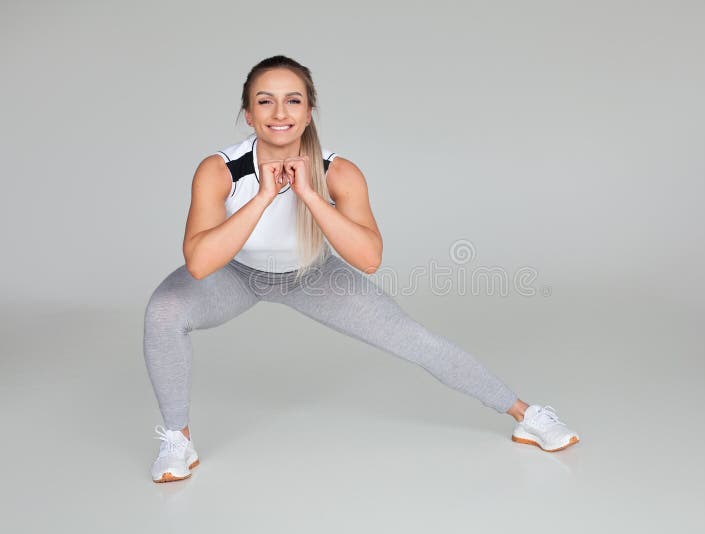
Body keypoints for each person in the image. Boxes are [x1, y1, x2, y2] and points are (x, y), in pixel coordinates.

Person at [142, 55, 579, 483]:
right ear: (248, 114)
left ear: (308, 113)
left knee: (414, 338)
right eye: (265, 101)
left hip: (311, 275)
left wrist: (309, 194)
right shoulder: (219, 170)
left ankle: (527, 416)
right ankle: (178, 440)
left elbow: (369, 258)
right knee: (163, 312)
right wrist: (263, 197)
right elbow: (200, 263)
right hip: (236, 275)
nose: (280, 113)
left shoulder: (339, 171)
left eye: (293, 101)